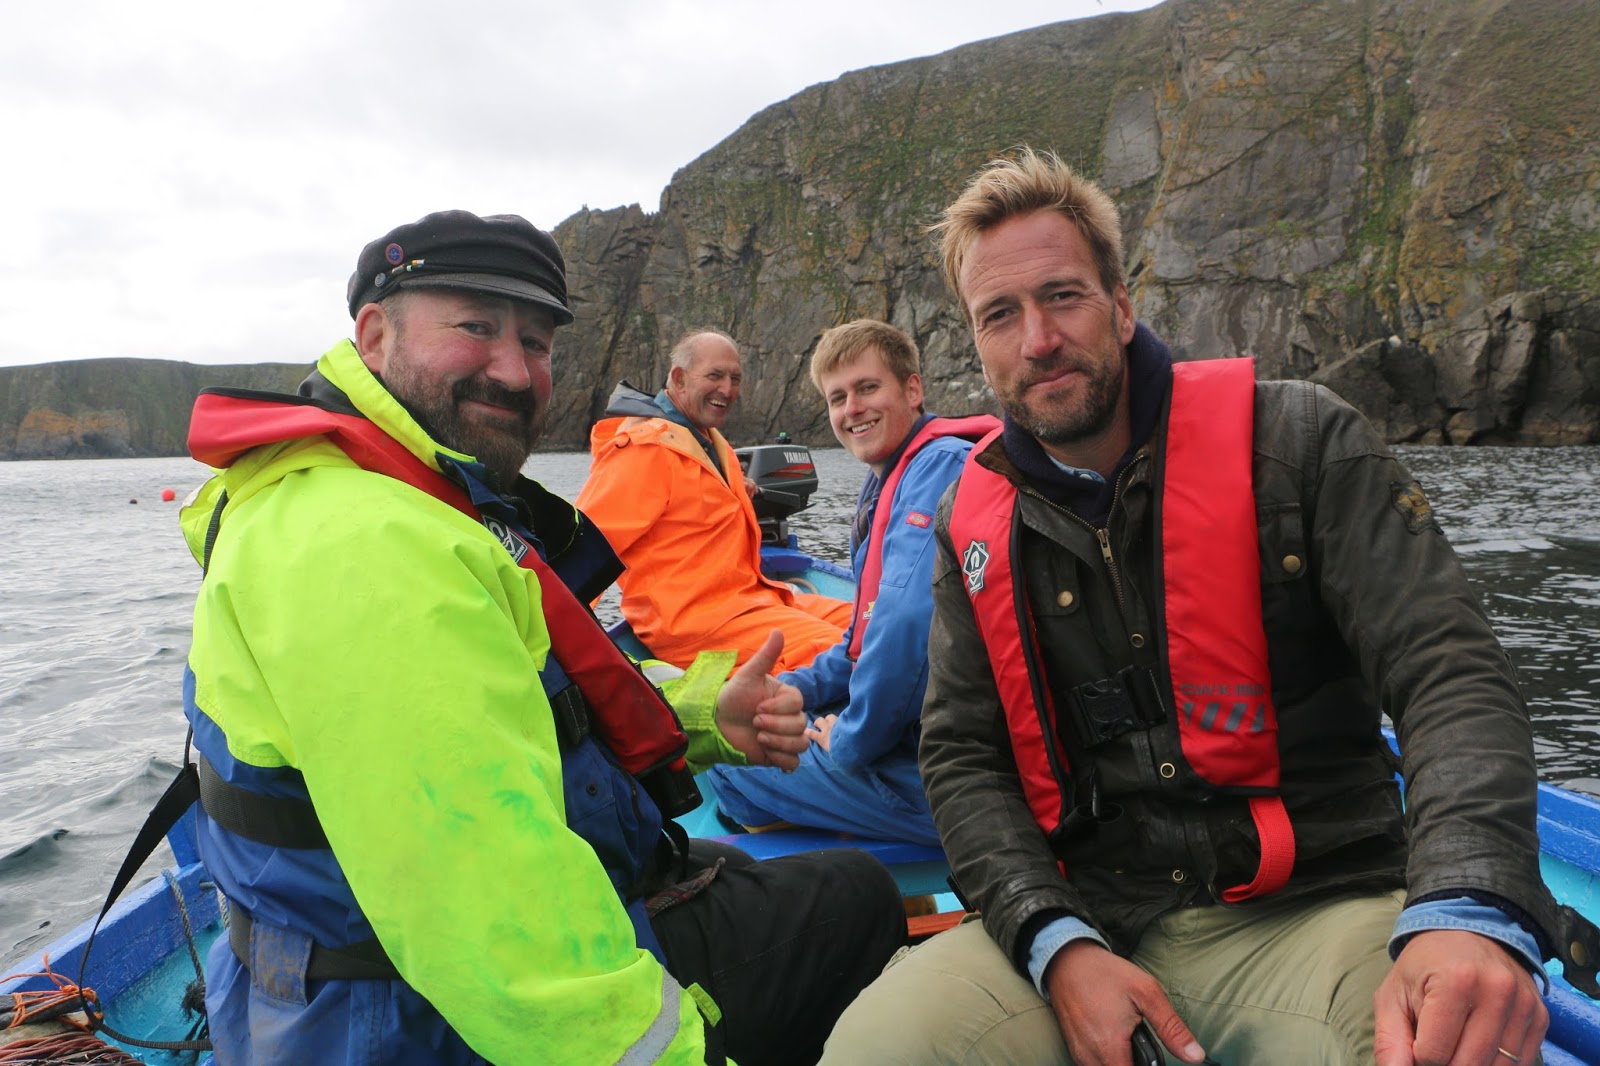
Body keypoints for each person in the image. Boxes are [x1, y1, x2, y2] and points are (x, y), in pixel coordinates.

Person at [821, 150, 1600, 1066]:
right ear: (977, 340)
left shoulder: (1302, 443)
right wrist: (1054, 941)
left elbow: (1448, 673)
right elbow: (961, 756)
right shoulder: (972, 523)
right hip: (1085, 918)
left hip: (1311, 913)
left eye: (1063, 296)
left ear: (1121, 302)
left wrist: (1467, 908)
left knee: (1437, 1046)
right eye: (1001, 314)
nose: (1037, 339)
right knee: (883, 1044)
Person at [178, 210, 906, 1066]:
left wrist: (705, 717)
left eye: (538, 341)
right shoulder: (369, 550)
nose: (516, 370)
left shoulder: (399, 501)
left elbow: (519, 715)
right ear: (375, 336)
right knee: (856, 894)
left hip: (386, 975)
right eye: (476, 327)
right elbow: (507, 950)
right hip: (406, 1025)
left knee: (766, 872)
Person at [706, 320, 996, 846]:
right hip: (935, 738)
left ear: (912, 389)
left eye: (867, 388)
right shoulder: (897, 476)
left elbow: (907, 628)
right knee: (776, 716)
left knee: (730, 760)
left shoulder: (938, 470)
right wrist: (794, 688)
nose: (852, 409)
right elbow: (861, 643)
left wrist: (849, 740)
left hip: (963, 777)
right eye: (837, 397)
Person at [577, 331, 852, 672]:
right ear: (678, 378)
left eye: (735, 378)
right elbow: (582, 548)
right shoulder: (642, 450)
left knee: (873, 626)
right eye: (714, 375)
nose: (727, 388)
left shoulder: (708, 441)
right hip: (697, 627)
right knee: (841, 653)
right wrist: (559, 640)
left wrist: (738, 493)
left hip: (754, 600)